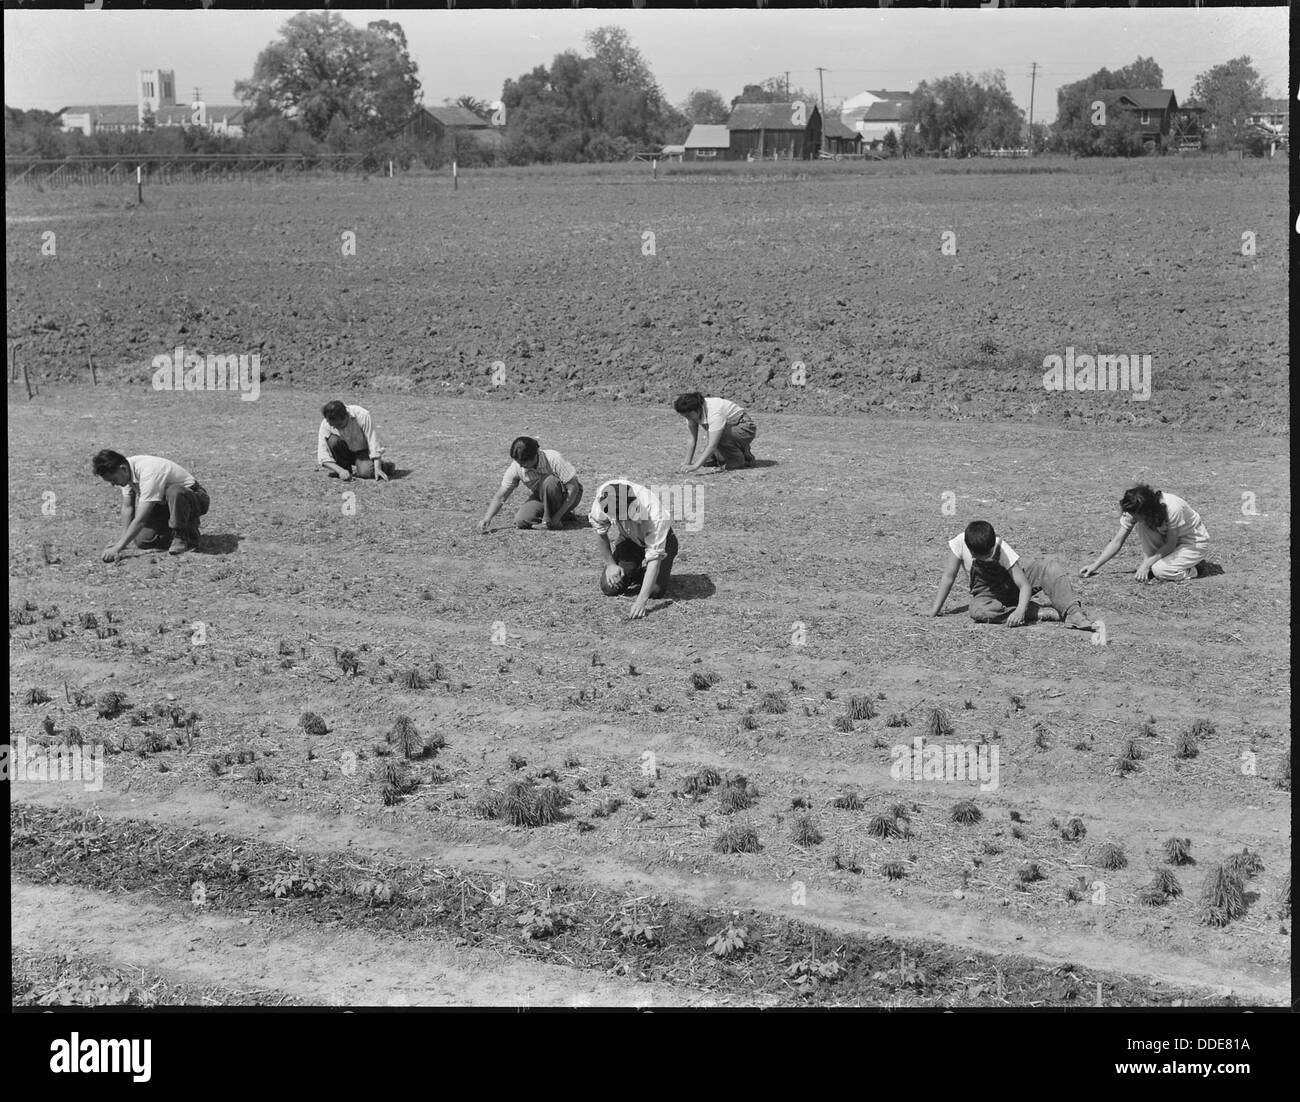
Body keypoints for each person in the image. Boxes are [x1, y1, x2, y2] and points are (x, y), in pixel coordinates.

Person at [929, 520, 1095, 630]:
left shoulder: (1001, 548)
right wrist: (934, 611)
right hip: (988, 595)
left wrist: (1019, 611)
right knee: (978, 610)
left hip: (1013, 587)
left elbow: (1024, 585)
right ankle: (1038, 612)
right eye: (983, 556)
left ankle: (1074, 613)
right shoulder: (959, 543)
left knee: (1049, 566)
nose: (988, 557)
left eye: (990, 553)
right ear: (971, 551)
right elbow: (948, 577)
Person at [92, 450, 210, 559]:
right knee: (143, 540)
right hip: (164, 504)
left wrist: (117, 548)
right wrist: (122, 542)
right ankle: (183, 531)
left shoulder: (149, 471)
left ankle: (182, 535)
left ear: (122, 468)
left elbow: (141, 519)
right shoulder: (125, 472)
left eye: (113, 480)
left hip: (193, 498)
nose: (113, 484)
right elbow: (128, 507)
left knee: (175, 492)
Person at [1081, 484, 1209, 583]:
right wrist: (1095, 565)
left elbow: (1170, 544)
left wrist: (1146, 564)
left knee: (1161, 571)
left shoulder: (1172, 507)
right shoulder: (1135, 510)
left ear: (1148, 510)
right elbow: (1117, 541)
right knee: (1142, 526)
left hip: (1192, 543)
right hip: (1169, 541)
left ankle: (1195, 569)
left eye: (1136, 515)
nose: (1132, 518)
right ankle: (1155, 564)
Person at [589, 480, 678, 620]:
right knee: (610, 587)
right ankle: (636, 572)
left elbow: (654, 559)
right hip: (630, 539)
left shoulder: (656, 515)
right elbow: (600, 531)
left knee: (655, 591)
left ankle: (649, 576)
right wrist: (611, 565)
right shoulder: (604, 498)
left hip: (662, 543)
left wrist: (641, 602)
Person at [479, 437, 584, 532]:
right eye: (518, 461)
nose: (521, 465)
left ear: (535, 454)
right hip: (543, 496)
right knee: (522, 520)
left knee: (549, 481)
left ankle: (551, 520)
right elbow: (501, 495)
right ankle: (562, 516)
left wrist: (557, 517)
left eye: (524, 462)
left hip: (569, 495)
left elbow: (573, 488)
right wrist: (487, 518)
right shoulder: (517, 467)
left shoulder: (553, 458)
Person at [673, 392, 757, 472]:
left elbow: (712, 445)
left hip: (745, 428)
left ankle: (738, 460)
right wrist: (687, 462)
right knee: (708, 461)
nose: (687, 418)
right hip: (729, 428)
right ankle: (740, 451)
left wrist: (695, 466)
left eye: (688, 415)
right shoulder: (692, 413)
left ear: (697, 409)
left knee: (718, 438)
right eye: (684, 416)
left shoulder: (714, 412)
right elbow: (692, 439)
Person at [316, 400, 392, 481]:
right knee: (333, 441)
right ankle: (346, 469)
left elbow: (373, 442)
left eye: (339, 425)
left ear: (346, 416)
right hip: (343, 451)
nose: (335, 427)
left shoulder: (362, 415)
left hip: (363, 452)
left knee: (366, 472)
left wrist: (378, 468)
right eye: (333, 425)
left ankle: (386, 466)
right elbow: (322, 455)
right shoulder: (326, 424)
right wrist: (340, 471)